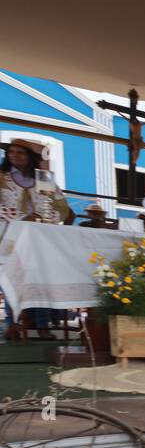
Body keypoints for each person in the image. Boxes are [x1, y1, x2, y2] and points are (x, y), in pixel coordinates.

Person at [1, 138, 75, 340]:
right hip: (8, 236)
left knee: (40, 278)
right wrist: (22, 217)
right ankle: (13, 323)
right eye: (11, 152)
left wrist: (43, 219)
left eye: (20, 152)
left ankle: (42, 325)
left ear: (31, 157)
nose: (13, 155)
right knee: (11, 276)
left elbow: (62, 208)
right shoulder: (1, 177)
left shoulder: (45, 180)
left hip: (39, 236)